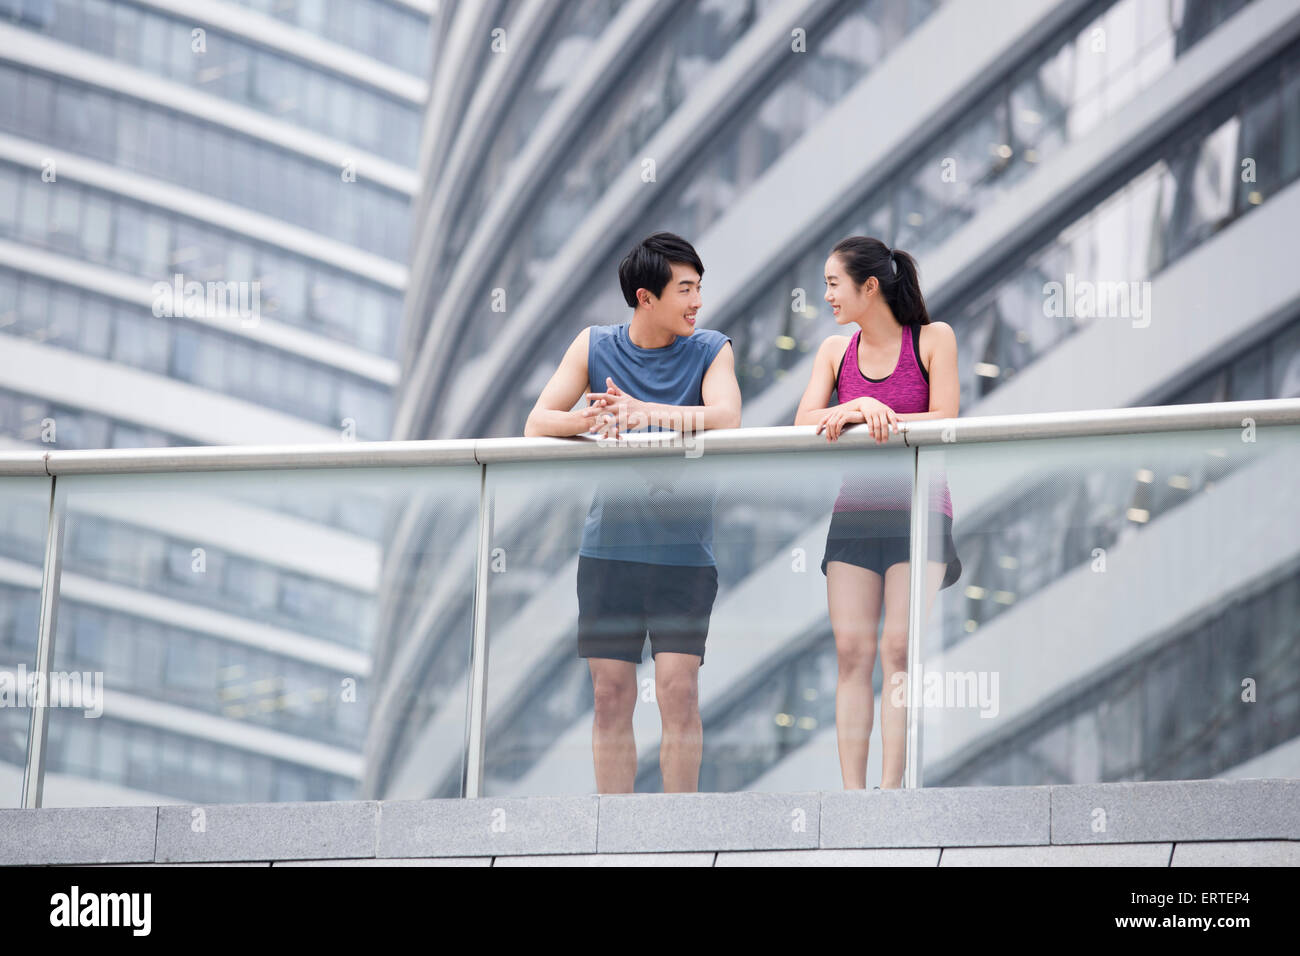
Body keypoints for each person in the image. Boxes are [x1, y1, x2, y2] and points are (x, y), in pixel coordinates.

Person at [523, 231, 741, 793]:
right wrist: (593, 420)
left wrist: (643, 411)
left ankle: (676, 838)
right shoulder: (594, 345)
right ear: (646, 297)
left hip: (684, 555)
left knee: (677, 691)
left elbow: (727, 417)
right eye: (685, 290)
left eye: (698, 288)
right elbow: (538, 421)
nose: (697, 302)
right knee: (609, 696)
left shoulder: (711, 348)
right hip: (608, 552)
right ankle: (614, 839)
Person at [793, 236, 962, 790]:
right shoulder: (835, 353)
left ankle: (892, 792)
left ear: (869, 286)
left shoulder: (933, 340)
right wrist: (860, 405)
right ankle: (852, 798)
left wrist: (874, 412)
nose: (827, 297)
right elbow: (803, 423)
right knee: (852, 652)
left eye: (833, 284)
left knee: (897, 648)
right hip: (857, 515)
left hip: (921, 512)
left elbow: (946, 421)